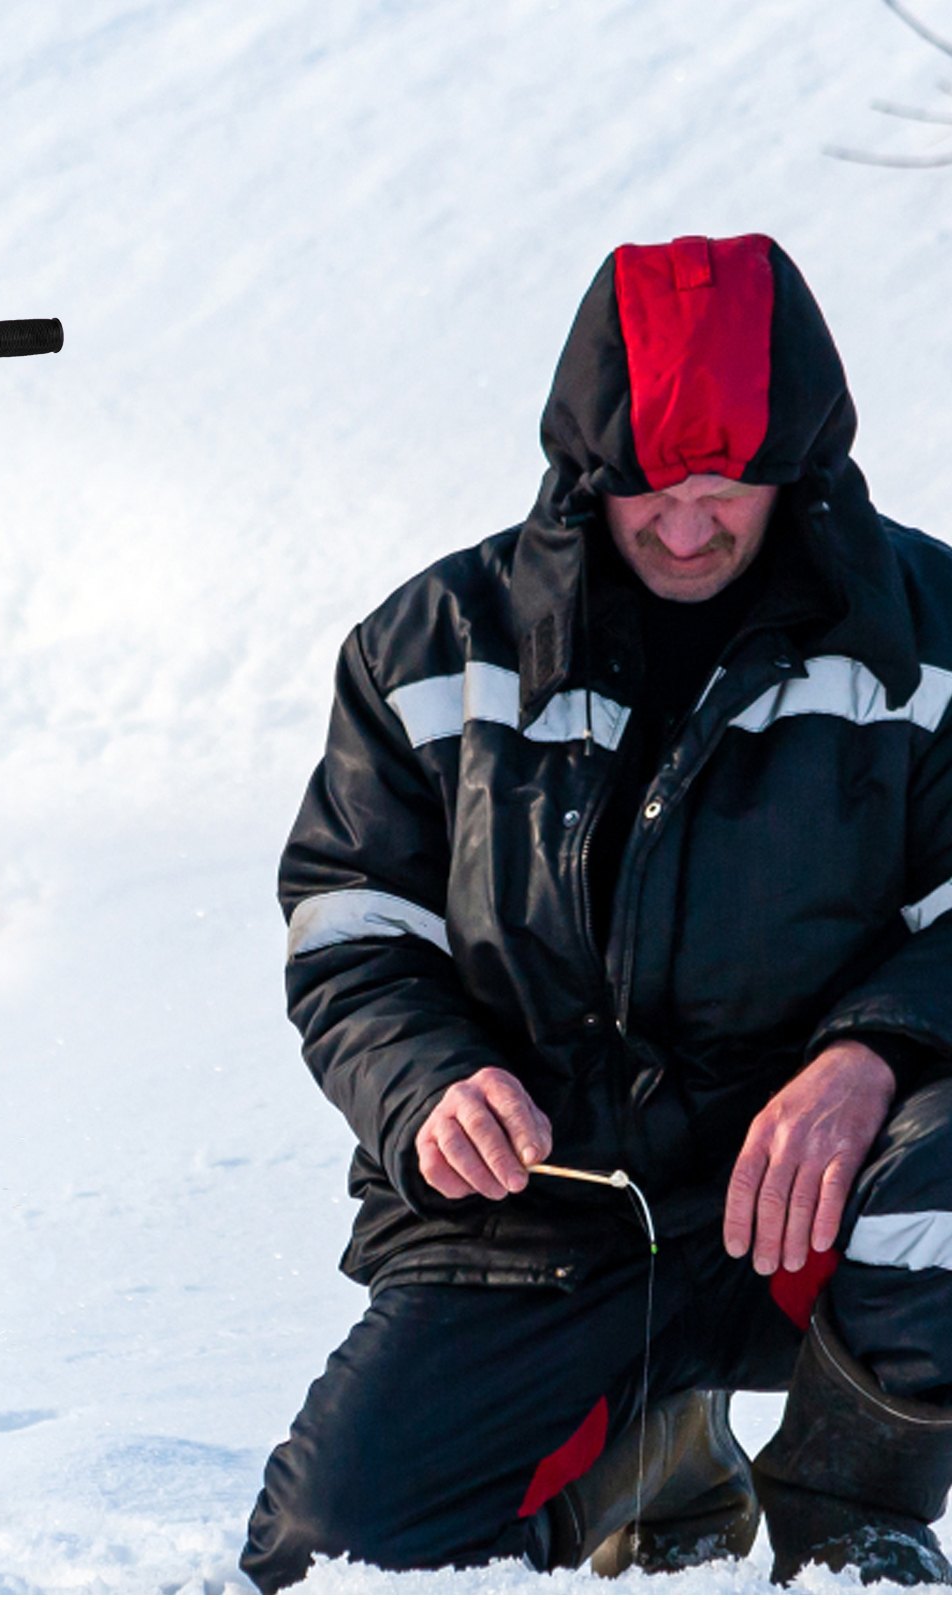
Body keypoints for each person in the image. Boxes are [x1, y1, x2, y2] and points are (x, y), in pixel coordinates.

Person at [241, 234, 952, 1591]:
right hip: (544, 1216)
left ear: (794, 466)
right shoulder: (435, 645)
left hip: (808, 1213)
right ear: (585, 468)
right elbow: (352, 928)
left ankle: (855, 1514)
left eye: (723, 490)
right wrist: (428, 1084)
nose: (686, 530)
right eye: (646, 493)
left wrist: (874, 1055)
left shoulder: (925, 637)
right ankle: (635, 1459)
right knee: (334, 1557)